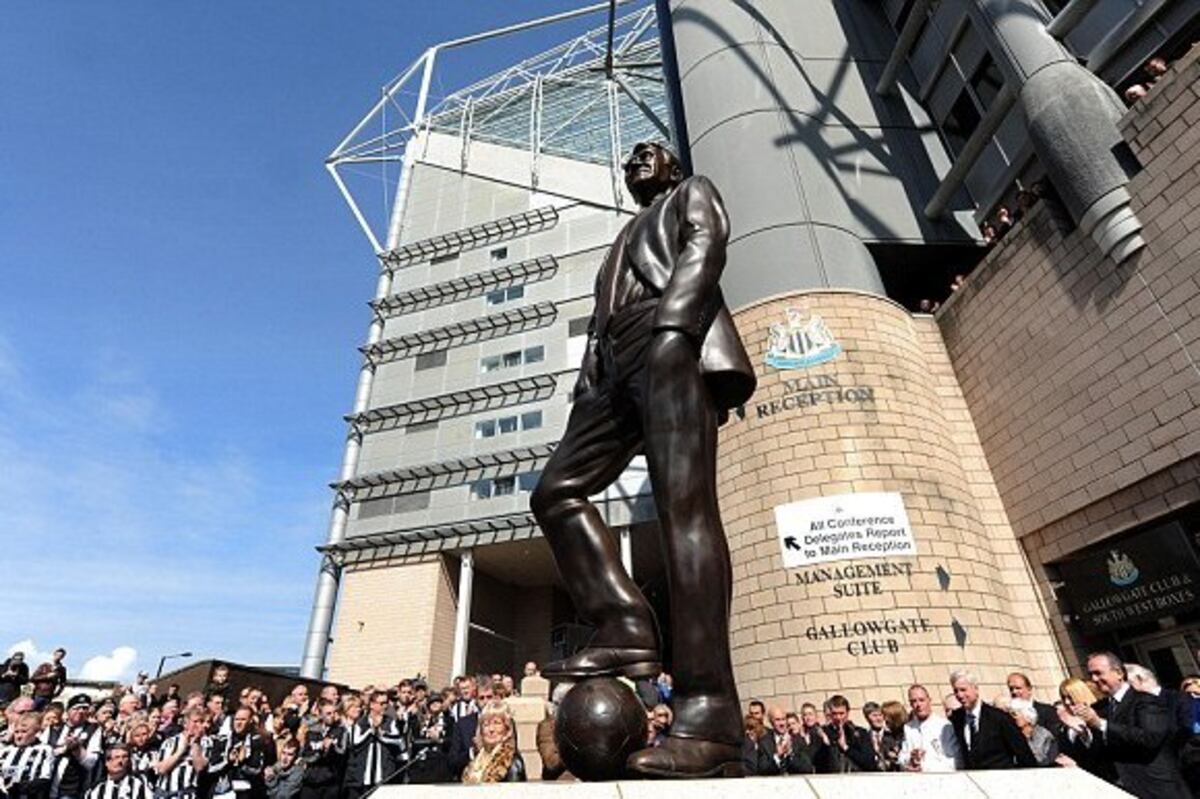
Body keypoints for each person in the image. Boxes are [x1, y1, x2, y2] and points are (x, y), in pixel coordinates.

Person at [531, 140, 756, 779]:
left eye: (649, 153)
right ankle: (625, 624)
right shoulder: (619, 240)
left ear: (674, 168)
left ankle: (708, 715)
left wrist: (675, 328)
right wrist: (587, 381)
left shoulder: (693, 192)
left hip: (669, 339)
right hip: (615, 371)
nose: (636, 161)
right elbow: (601, 322)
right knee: (555, 492)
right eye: (629, 158)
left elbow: (706, 247)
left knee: (685, 511)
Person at [1071, 651, 1190, 798]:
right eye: (1091, 674)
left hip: (1155, 788)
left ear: (1119, 673)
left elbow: (1149, 738)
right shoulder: (1099, 708)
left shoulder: (1146, 701)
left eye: (1098, 673)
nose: (1094, 679)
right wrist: (1083, 733)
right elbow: (1099, 750)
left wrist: (1101, 724)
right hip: (1118, 788)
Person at [948, 670, 1035, 769]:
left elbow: (1024, 755)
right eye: (956, 691)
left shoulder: (999, 718)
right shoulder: (956, 718)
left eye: (963, 690)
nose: (959, 695)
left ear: (975, 689)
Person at [344, 691, 405, 799]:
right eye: (381, 703)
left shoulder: (390, 722)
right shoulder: (360, 723)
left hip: (383, 776)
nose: (384, 706)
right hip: (362, 777)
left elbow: (397, 741)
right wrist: (371, 731)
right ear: (372, 704)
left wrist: (381, 734)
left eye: (386, 703)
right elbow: (355, 743)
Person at [43, 694, 103, 799]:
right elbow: (42, 755)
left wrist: (77, 749)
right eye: (76, 708)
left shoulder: (93, 730)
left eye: (85, 708)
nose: (81, 711)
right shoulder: (53, 729)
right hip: (46, 787)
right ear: (68, 711)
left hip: (73, 789)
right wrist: (63, 749)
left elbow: (91, 763)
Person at [898, 684, 959, 772]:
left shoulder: (944, 726)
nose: (918, 704)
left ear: (929, 701)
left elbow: (953, 761)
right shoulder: (908, 728)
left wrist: (924, 766)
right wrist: (910, 759)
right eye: (914, 701)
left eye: (921, 700)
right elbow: (902, 757)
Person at [155, 708, 213, 799]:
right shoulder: (170, 742)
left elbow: (200, 768)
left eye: (201, 722)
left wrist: (195, 743)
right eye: (196, 721)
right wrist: (181, 750)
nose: (199, 725)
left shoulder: (206, 742)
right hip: (165, 793)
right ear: (186, 724)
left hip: (188, 793)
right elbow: (161, 769)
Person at [460, 701, 524, 784]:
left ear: (507, 728)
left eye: (497, 723)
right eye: (486, 724)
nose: (491, 729)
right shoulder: (478, 759)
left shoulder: (512, 761)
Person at [297, 701, 346, 799]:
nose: (332, 716)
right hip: (311, 781)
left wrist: (332, 748)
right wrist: (320, 749)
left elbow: (342, 753)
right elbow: (306, 756)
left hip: (330, 782)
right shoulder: (311, 732)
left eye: (334, 713)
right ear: (320, 714)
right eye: (328, 713)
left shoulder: (340, 731)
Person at [0, 713, 56, 799]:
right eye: (16, 732)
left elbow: (44, 780)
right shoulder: (5, 751)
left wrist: (16, 787)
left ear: (36, 732)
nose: (19, 736)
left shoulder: (44, 750)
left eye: (24, 731)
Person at [821, 695, 877, 773]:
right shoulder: (823, 733)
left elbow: (869, 763)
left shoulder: (860, 733)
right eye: (834, 714)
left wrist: (846, 748)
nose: (838, 717)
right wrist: (827, 746)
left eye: (841, 713)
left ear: (847, 713)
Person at [225, 707, 267, 799]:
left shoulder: (257, 740)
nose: (238, 723)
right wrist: (228, 760)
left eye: (243, 720)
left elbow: (257, 769)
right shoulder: (226, 739)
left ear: (250, 721)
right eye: (236, 719)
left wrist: (242, 762)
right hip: (227, 789)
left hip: (249, 790)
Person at [757, 707, 812, 775]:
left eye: (783, 719)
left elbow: (807, 769)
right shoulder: (764, 743)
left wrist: (790, 753)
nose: (782, 723)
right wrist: (777, 756)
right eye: (777, 720)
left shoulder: (798, 740)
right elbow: (763, 770)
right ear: (771, 722)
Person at [84, 745, 151, 799]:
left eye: (124, 757)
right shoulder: (96, 789)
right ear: (107, 762)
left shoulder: (139, 783)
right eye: (117, 757)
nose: (120, 761)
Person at [1009, 699, 1057, 765]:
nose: (1011, 718)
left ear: (1027, 716)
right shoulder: (1011, 734)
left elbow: (1041, 759)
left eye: (1014, 714)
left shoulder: (1044, 735)